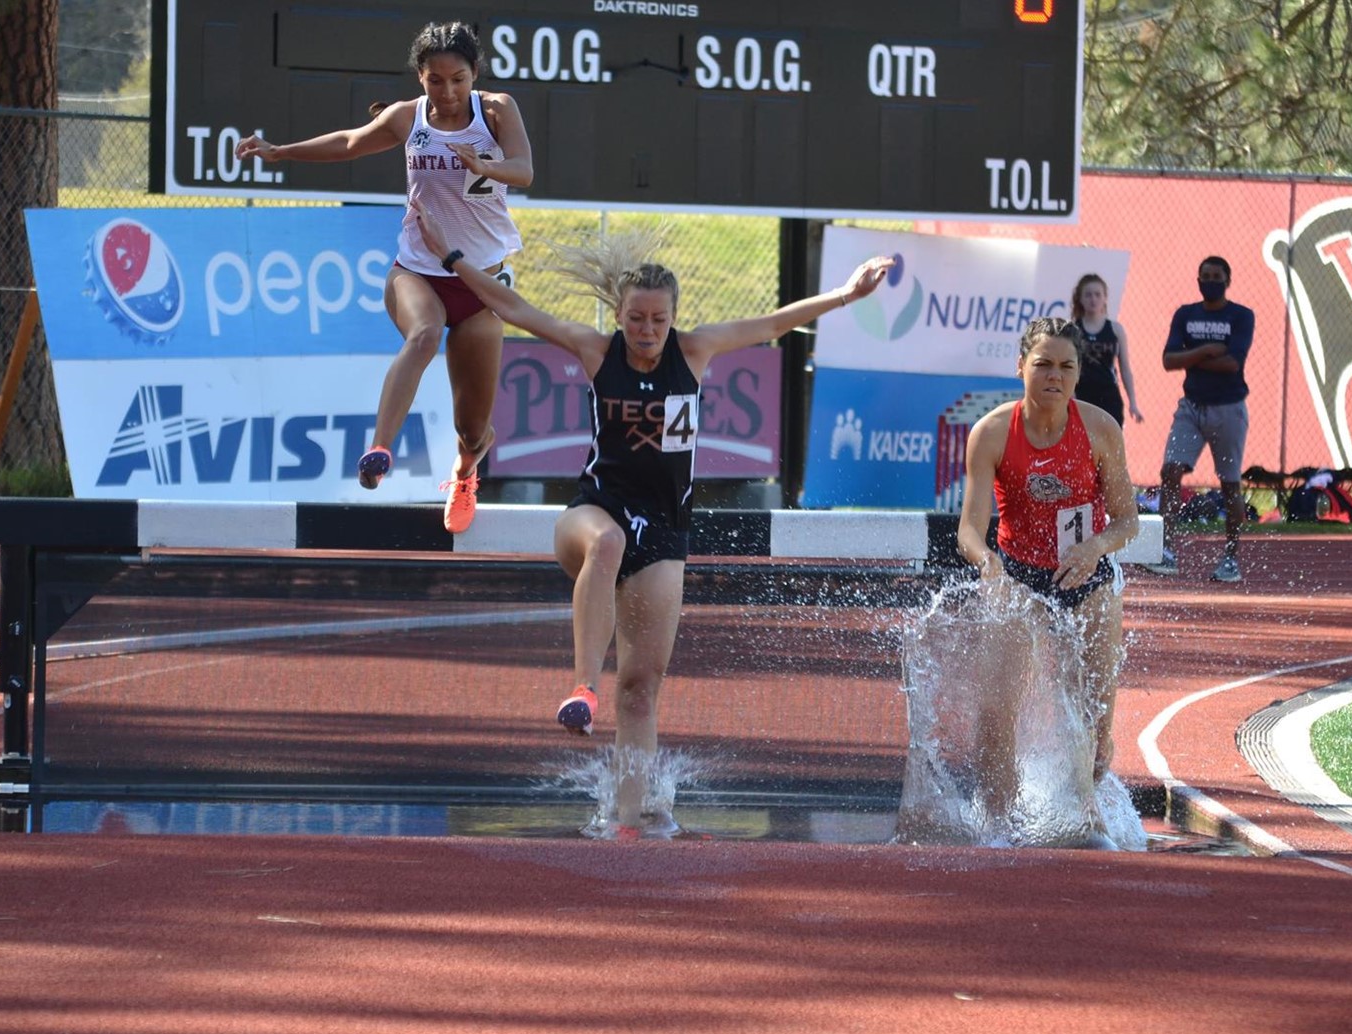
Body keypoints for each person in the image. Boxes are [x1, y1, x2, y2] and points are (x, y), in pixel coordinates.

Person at [411, 199, 894, 832]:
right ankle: (582, 689)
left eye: (657, 319)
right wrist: (449, 256)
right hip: (592, 513)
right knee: (606, 546)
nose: (646, 330)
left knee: (641, 686)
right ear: (619, 315)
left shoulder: (693, 353)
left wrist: (845, 295)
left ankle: (628, 819)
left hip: (664, 532)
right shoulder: (595, 350)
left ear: (672, 318)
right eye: (636, 318)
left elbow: (774, 321)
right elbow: (514, 308)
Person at [234, 21, 532, 532]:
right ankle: (380, 450)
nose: (448, 92)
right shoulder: (408, 118)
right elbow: (350, 142)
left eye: (458, 79)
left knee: (473, 428)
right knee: (422, 335)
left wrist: (484, 165)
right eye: (436, 80)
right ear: (421, 78)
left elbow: (524, 171)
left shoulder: (497, 110)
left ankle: (465, 472)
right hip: (416, 271)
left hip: (481, 285)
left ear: (474, 73)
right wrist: (280, 152)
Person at [955, 317, 1142, 821]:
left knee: (1094, 718)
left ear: (1079, 374)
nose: (1053, 376)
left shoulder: (1101, 429)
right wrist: (988, 564)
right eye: (1043, 365)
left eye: (1065, 366)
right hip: (1019, 577)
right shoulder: (992, 432)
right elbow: (968, 529)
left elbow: (1128, 521)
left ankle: (1084, 814)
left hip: (1087, 578)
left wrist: (1094, 547)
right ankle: (998, 821)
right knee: (996, 714)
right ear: (1021, 368)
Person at [1149, 255, 1254, 583]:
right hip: (1191, 407)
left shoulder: (1241, 316)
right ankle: (1166, 551)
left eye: (1216, 276)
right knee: (1170, 471)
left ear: (1228, 280)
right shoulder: (1185, 314)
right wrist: (1207, 351)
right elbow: (1168, 360)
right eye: (1204, 276)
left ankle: (1231, 558)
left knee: (1229, 484)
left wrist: (1190, 358)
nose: (1210, 281)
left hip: (1228, 408)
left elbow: (1232, 364)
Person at [1070, 273, 1142, 426]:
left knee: (1109, 446)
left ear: (1105, 298)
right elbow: (1067, 367)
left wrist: (1133, 403)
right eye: (1088, 295)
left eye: (1097, 295)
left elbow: (1125, 369)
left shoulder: (1116, 330)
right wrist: (1071, 396)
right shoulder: (1073, 330)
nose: (1093, 299)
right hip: (1082, 396)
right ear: (1080, 299)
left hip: (1109, 396)